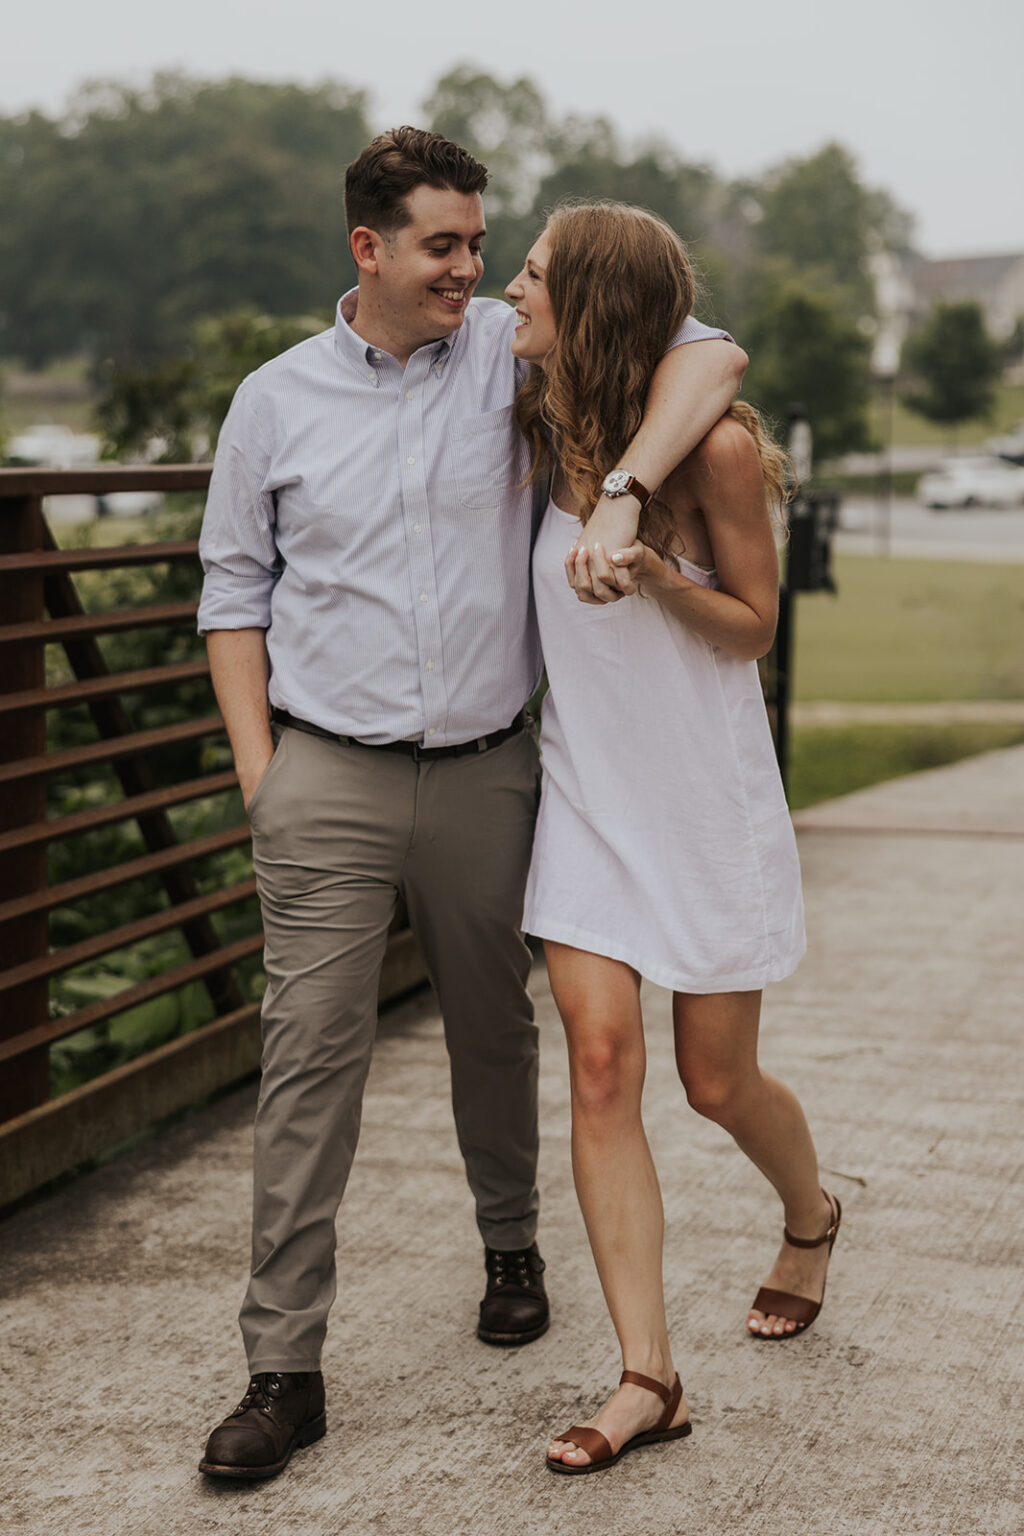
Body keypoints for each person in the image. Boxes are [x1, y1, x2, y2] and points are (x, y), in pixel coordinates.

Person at [195, 130, 747, 1482]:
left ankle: (512, 1245)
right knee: (309, 1059)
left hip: (495, 767)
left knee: (497, 1031)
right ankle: (284, 1370)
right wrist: (264, 774)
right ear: (368, 249)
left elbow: (711, 354)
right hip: (326, 771)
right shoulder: (272, 401)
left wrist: (622, 493)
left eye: (483, 247)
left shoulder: (510, 366)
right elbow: (232, 593)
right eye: (444, 246)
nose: (474, 271)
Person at [505, 201, 841, 1476]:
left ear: (587, 304)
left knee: (713, 1083)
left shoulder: (715, 457)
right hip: (586, 797)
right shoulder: (544, 416)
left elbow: (753, 624)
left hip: (702, 804)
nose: (509, 295)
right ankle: (649, 1376)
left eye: (532, 276)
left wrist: (647, 560)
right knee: (600, 1064)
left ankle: (810, 1215)